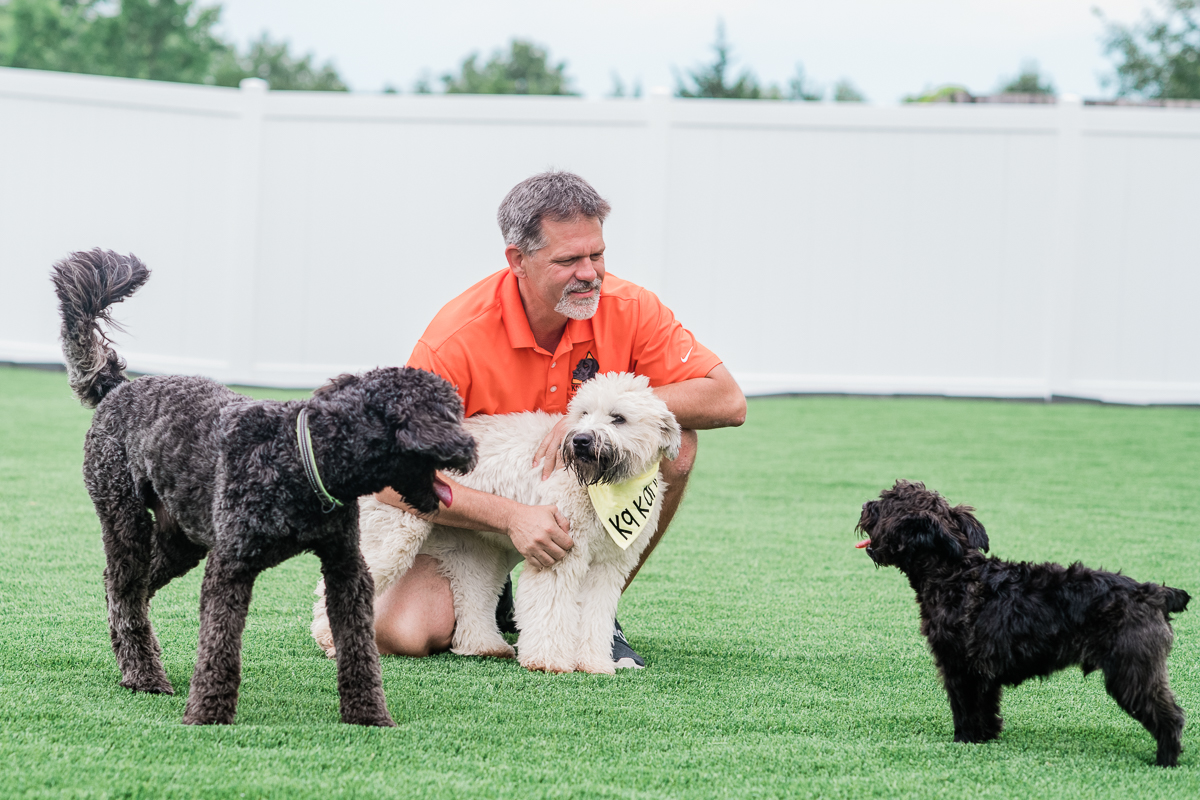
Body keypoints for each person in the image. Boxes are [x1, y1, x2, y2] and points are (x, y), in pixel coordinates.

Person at [373, 171, 746, 668]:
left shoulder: (631, 307)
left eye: (597, 254)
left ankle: (595, 611)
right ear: (517, 261)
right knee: (404, 631)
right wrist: (510, 518)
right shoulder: (454, 340)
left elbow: (727, 400)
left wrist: (600, 413)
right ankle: (505, 590)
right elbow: (389, 477)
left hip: (584, 492)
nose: (590, 273)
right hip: (480, 505)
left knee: (677, 446)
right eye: (568, 260)